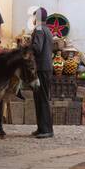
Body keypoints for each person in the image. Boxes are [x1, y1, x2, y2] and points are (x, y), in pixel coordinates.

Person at [29, 7, 54, 139]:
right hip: (46, 68)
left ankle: (46, 130)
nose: (32, 20)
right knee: (40, 98)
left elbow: (37, 48)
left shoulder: (38, 29)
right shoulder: (47, 30)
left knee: (42, 98)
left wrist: (27, 46)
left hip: (41, 68)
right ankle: (42, 128)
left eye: (33, 17)